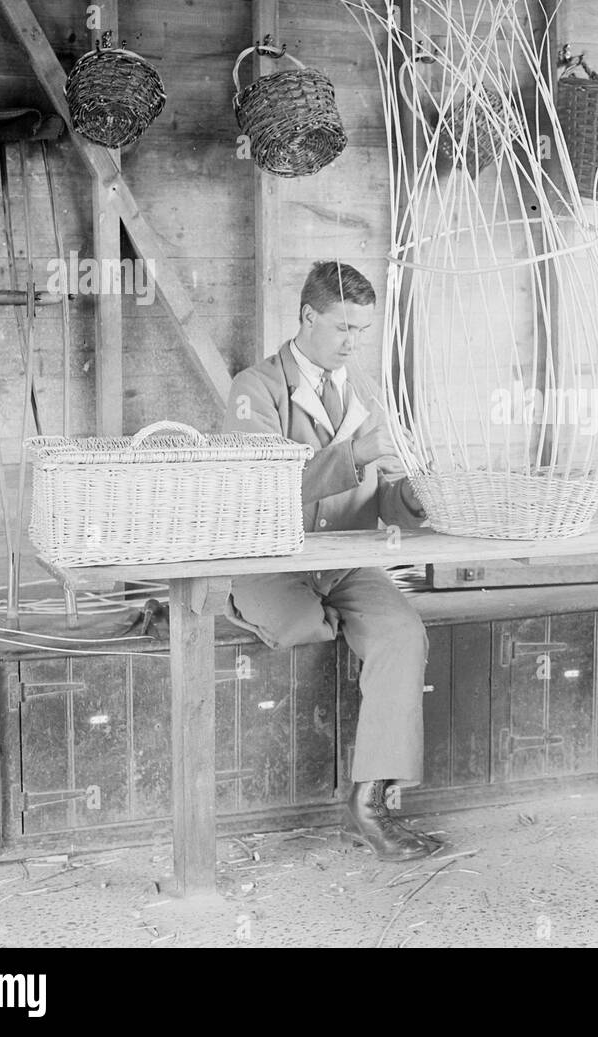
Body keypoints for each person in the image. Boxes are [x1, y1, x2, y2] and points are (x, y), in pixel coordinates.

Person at [223, 261, 436, 863]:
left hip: (345, 561)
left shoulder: (364, 391)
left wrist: (413, 495)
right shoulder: (255, 388)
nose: (351, 342)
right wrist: (355, 451)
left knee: (402, 632)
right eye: (343, 327)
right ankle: (252, 603)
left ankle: (371, 805)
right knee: (302, 627)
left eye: (362, 330)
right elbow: (257, 487)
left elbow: (383, 499)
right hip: (273, 559)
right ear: (307, 317)